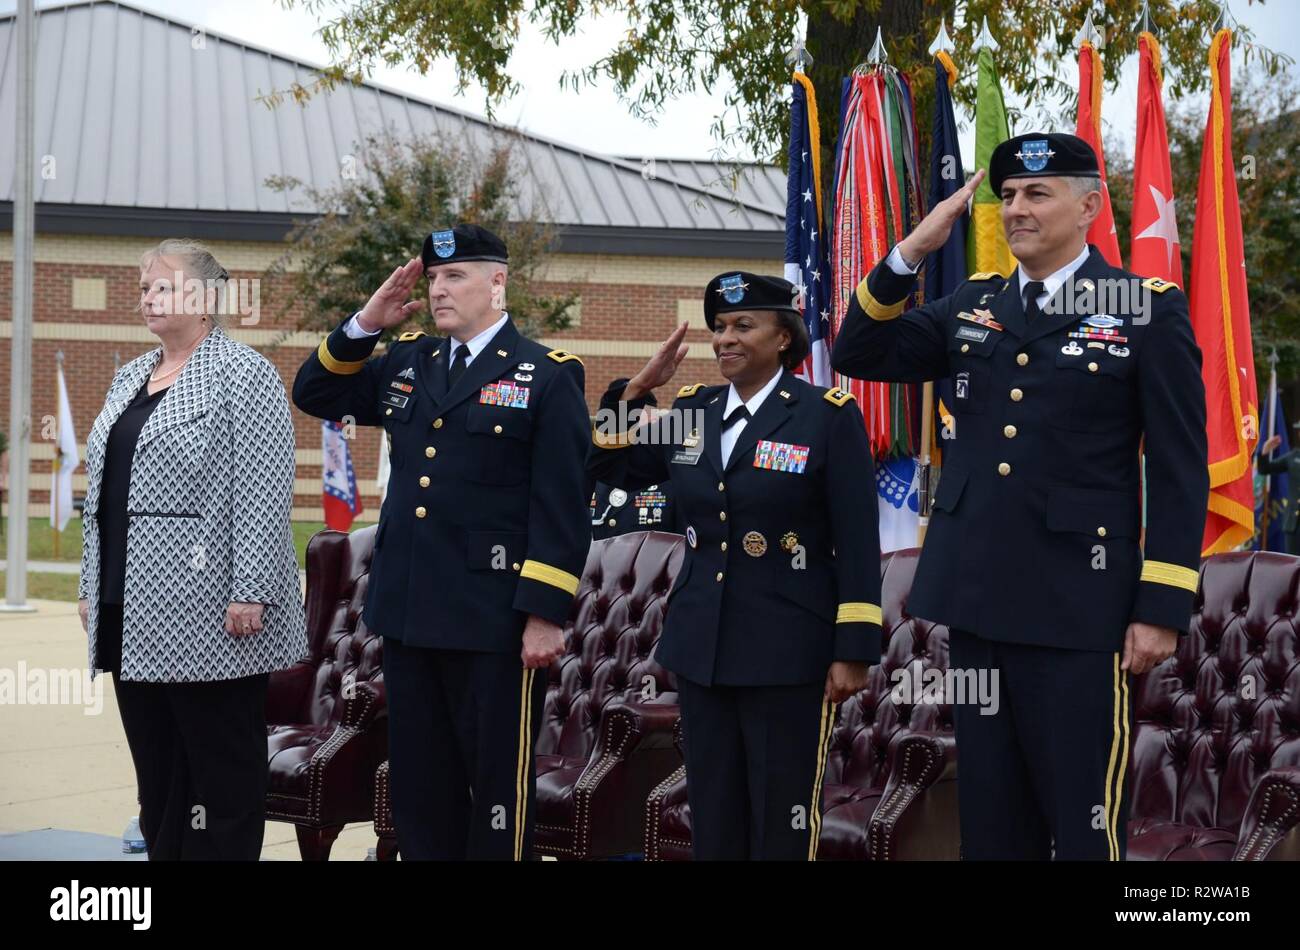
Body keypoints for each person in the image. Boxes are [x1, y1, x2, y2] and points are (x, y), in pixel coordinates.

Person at [832, 132, 1209, 860]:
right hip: (978, 605)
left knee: (1081, 819)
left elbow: (1178, 467)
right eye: (1007, 197)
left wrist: (1161, 605)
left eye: (1038, 193)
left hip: (1079, 611)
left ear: (1090, 206)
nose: (1016, 210)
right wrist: (911, 249)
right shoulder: (973, 302)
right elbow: (858, 352)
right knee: (992, 819)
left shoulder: (1140, 307)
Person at [292, 223, 590, 860]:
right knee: (421, 789)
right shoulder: (408, 360)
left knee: (495, 793)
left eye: (455, 276)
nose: (438, 290)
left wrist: (543, 615)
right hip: (409, 614)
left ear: (497, 282)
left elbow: (562, 505)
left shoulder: (545, 374)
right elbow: (314, 391)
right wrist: (368, 319)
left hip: (495, 622)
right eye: (432, 279)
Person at [589, 272, 880, 860]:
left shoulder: (824, 416)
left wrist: (853, 647)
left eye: (744, 326)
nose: (725, 338)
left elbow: (856, 537)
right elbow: (608, 462)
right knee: (713, 816)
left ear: (783, 339)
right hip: (703, 648)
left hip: (786, 651)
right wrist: (639, 391)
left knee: (779, 817)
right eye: (719, 327)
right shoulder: (695, 411)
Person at [78, 239, 307, 860]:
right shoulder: (131, 375)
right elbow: (101, 492)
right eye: (145, 288)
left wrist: (251, 588)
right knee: (158, 772)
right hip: (131, 609)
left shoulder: (242, 373)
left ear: (206, 300)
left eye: (164, 287)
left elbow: (264, 486)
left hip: (211, 610)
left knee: (221, 773)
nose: (149, 298)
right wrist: (89, 586)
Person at [1259, 430, 1300, 554]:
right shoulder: (1293, 457)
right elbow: (1265, 469)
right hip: (1293, 522)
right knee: (1293, 566)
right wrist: (1265, 452)